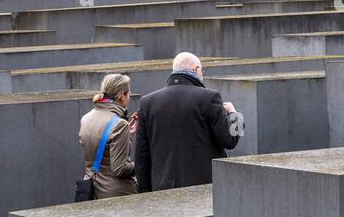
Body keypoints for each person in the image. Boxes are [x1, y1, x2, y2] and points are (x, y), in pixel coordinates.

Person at [134, 52, 243, 191]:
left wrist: (145, 195)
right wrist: (235, 114)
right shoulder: (209, 98)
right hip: (204, 189)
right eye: (202, 71)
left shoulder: (147, 103)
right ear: (196, 69)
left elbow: (142, 158)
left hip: (162, 190)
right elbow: (230, 141)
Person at [77, 73, 138, 198]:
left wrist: (126, 135)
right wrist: (144, 164)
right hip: (118, 194)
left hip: (93, 189)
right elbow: (119, 169)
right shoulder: (120, 125)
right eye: (128, 94)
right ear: (122, 96)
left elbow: (101, 147)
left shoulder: (86, 118)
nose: (129, 97)